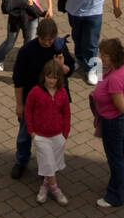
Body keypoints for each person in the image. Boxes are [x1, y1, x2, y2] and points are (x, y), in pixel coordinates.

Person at [10, 17, 75, 180]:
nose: (47, 43)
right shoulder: (26, 51)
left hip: (54, 103)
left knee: (51, 136)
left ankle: (48, 165)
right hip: (32, 102)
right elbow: (18, 80)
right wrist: (20, 105)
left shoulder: (59, 48)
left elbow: (70, 69)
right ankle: (21, 161)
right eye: (43, 40)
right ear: (37, 35)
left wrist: (62, 67)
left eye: (50, 40)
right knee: (25, 134)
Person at [91, 37, 124, 208]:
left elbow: (123, 107)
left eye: (104, 56)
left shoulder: (115, 78)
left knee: (115, 157)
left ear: (113, 57)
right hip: (121, 122)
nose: (101, 58)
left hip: (114, 122)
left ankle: (115, 195)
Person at [25, 60, 71, 205]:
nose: (51, 80)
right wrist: (31, 131)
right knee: (49, 164)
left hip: (58, 135)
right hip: (41, 136)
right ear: (44, 76)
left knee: (53, 165)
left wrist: (65, 133)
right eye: (49, 76)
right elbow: (28, 111)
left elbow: (66, 113)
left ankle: (45, 186)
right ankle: (56, 190)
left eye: (55, 77)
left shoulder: (62, 93)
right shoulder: (35, 92)